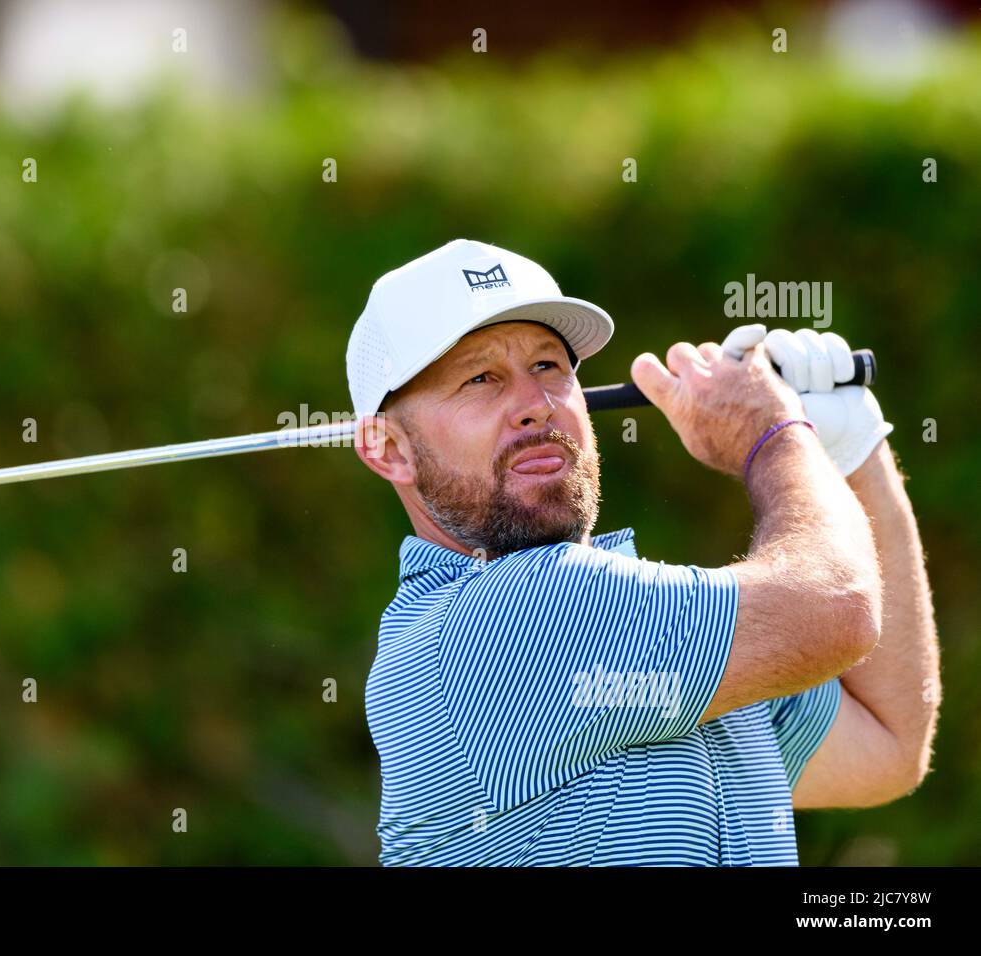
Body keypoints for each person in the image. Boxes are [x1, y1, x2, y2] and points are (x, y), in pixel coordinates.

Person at [346, 238, 940, 865]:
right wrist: (775, 436)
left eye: (549, 366)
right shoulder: (491, 620)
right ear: (389, 449)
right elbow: (836, 612)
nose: (535, 405)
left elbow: (888, 745)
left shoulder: (656, 621)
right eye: (480, 378)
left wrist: (854, 455)